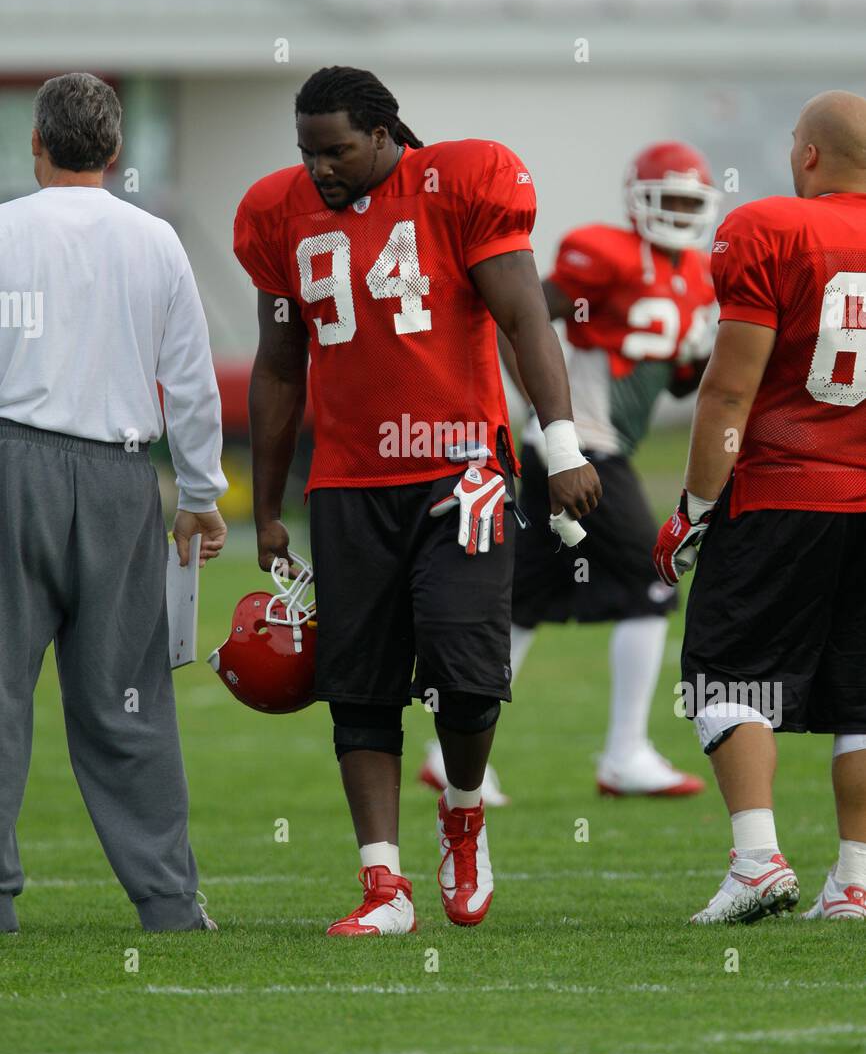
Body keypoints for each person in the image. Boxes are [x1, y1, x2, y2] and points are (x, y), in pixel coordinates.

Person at [233, 65, 600, 936]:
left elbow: (524, 318)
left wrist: (561, 446)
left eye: (336, 150)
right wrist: (268, 509)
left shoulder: (460, 183)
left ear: (385, 134)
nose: (319, 168)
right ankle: (383, 885)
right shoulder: (278, 212)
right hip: (349, 481)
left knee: (466, 679)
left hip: (461, 474)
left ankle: (463, 815)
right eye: (306, 151)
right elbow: (280, 368)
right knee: (357, 687)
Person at [0, 72, 228, 935]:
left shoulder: (4, 230)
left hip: (10, 465)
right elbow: (192, 383)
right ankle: (166, 902)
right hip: (120, 477)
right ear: (117, 150)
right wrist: (200, 494)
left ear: (36, 142)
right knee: (127, 697)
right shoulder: (155, 240)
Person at [423, 143, 719, 800]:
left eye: (687, 201)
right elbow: (514, 315)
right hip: (579, 450)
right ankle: (624, 753)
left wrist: (702, 354)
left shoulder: (698, 275)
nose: (677, 211)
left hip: (587, 449)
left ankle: (448, 754)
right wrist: (543, 411)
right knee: (652, 580)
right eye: (667, 198)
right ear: (638, 200)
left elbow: (677, 381)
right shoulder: (604, 253)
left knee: (524, 602)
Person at [654, 91, 866, 924]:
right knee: (861, 695)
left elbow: (729, 390)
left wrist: (694, 506)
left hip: (783, 493)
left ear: (808, 154)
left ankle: (756, 861)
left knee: (726, 673)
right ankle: (854, 879)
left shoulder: (773, 228)